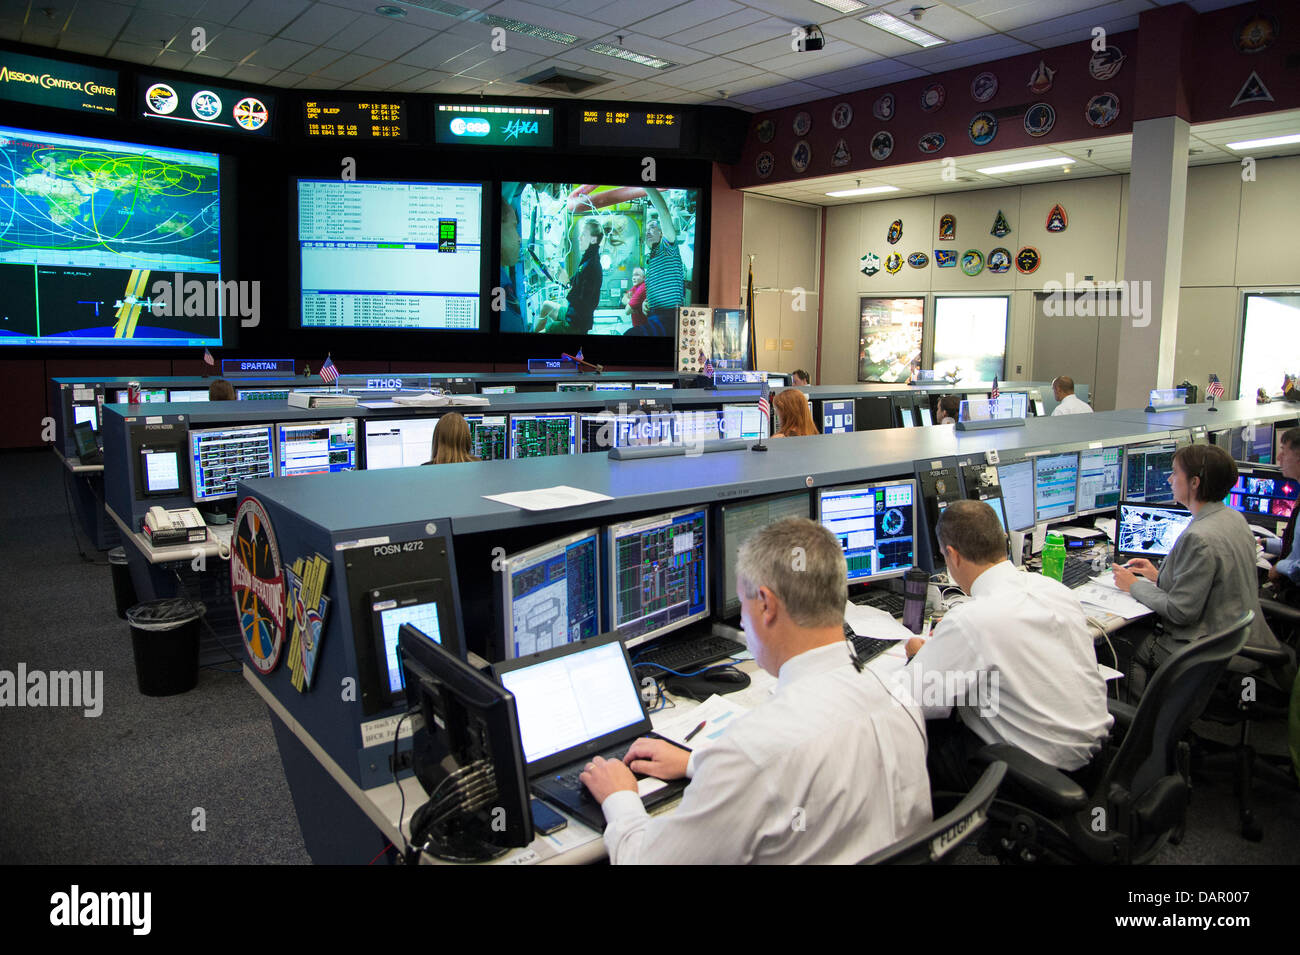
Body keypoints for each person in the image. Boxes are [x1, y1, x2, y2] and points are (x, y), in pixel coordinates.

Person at [579, 517, 931, 864]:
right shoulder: (900, 696)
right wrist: (697, 763)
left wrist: (619, 797)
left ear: (766, 605)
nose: (743, 622)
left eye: (742, 608)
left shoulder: (752, 750)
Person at [905, 500, 1112, 787]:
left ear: (952, 556)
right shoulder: (1055, 590)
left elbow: (913, 700)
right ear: (1001, 541)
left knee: (921, 732)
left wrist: (918, 657)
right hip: (1094, 763)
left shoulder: (972, 620)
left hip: (1034, 776)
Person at [1112, 444, 1287, 698]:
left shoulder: (1199, 536)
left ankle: (1146, 726)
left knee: (1117, 643)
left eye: (1175, 473)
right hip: (1233, 640)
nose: (1170, 479)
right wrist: (1156, 575)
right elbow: (1211, 580)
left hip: (1204, 651)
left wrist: (1133, 585)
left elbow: (1181, 611)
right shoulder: (1233, 518)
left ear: (1194, 483)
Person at [536, 217, 603, 335]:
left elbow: (582, 303)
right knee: (546, 305)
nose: (579, 237)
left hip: (576, 323)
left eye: (584, 235)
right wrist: (556, 277)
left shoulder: (592, 266)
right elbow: (576, 281)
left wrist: (567, 284)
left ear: (593, 240)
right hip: (573, 314)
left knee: (545, 330)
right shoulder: (588, 259)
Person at [640, 187, 684, 337]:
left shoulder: (668, 247)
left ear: (662, 232)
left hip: (671, 316)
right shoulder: (651, 259)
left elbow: (663, 211)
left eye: (652, 227)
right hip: (655, 315)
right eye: (646, 229)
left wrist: (647, 186)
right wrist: (646, 302)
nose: (648, 231)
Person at [1263, 427, 1300, 604]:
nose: (1278, 458)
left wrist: (1280, 567)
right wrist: (1266, 544)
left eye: (1283, 451)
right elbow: (1296, 548)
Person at [622, 266, 647, 331]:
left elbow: (627, 311)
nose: (633, 278)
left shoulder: (643, 287)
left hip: (643, 328)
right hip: (636, 326)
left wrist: (630, 303)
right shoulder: (635, 287)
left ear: (644, 278)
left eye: (637, 275)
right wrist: (631, 301)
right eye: (633, 275)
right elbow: (624, 298)